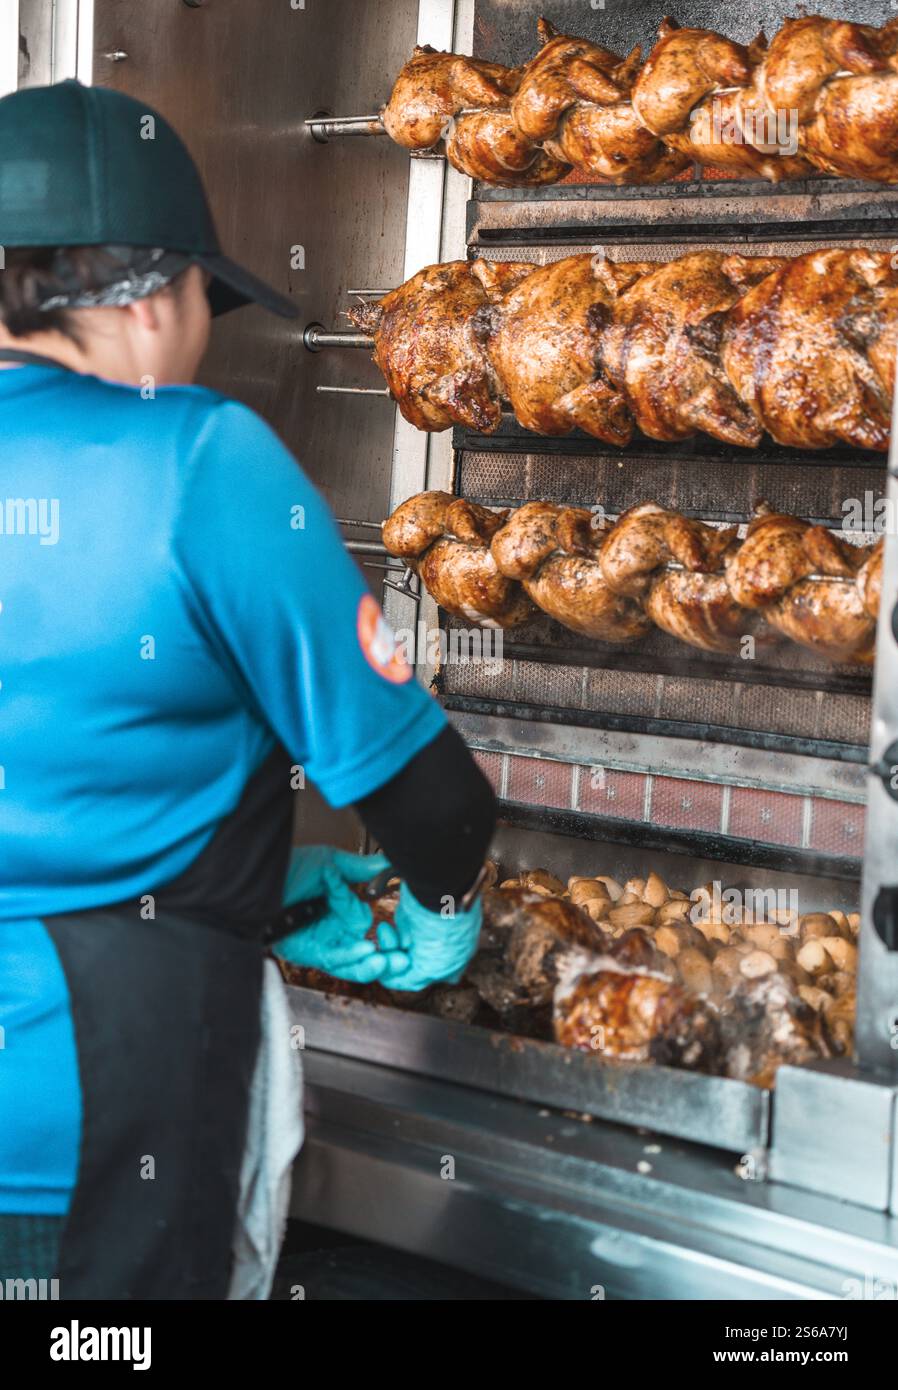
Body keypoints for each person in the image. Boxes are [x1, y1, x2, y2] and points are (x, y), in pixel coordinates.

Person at [0, 79, 496, 1299]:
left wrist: (262, 877)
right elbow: (431, 797)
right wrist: (441, 900)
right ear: (150, 297)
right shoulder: (197, 459)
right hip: (99, 1121)